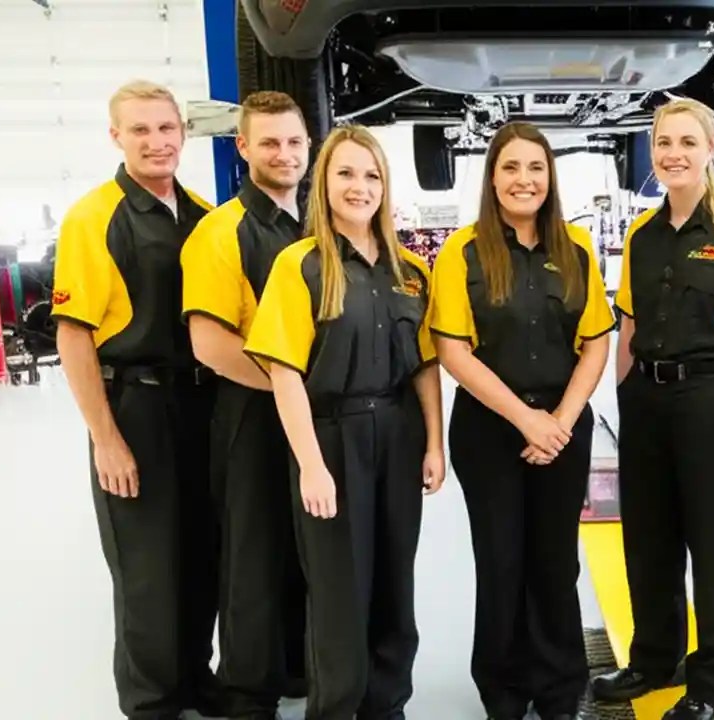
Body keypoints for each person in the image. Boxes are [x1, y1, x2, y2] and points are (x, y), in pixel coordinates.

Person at [591, 97, 714, 720]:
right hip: (645, 399)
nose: (673, 154)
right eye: (663, 143)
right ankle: (654, 659)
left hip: (711, 397)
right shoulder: (643, 235)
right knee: (647, 538)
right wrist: (626, 394)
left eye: (686, 142)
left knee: (712, 546)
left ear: (710, 151)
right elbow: (630, 321)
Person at [242, 124, 445, 720]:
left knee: (393, 587)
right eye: (346, 174)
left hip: (400, 434)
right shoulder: (300, 265)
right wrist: (311, 465)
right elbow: (283, 373)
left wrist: (435, 443)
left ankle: (387, 706)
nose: (360, 187)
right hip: (332, 437)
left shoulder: (411, 270)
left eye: (372, 175)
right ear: (323, 182)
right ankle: (334, 709)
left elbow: (426, 366)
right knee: (337, 594)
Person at [428, 121, 615, 720]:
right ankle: (504, 689)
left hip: (564, 423)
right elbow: (454, 351)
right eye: (510, 167)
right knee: (502, 557)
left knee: (557, 558)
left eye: (535, 167)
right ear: (492, 177)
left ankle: (560, 686)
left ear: (550, 177)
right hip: (489, 429)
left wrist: (559, 419)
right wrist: (525, 421)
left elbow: (595, 342)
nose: (523, 179)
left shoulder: (576, 249)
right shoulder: (462, 252)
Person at [52, 79, 221, 719]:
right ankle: (151, 700)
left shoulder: (202, 214)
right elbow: (74, 338)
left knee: (203, 551)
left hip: (202, 406)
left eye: (166, 128)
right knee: (148, 566)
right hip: (137, 406)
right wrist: (106, 438)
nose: (157, 142)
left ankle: (195, 677)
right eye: (141, 130)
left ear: (183, 133)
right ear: (115, 136)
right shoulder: (94, 217)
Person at [180, 90, 309, 718]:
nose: (283, 154)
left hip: (312, 414)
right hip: (253, 414)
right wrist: (290, 389)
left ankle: (296, 668)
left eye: (293, 142)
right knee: (253, 552)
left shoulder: (320, 223)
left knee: (307, 543)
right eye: (269, 142)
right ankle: (248, 691)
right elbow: (209, 343)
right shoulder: (221, 230)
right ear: (244, 148)